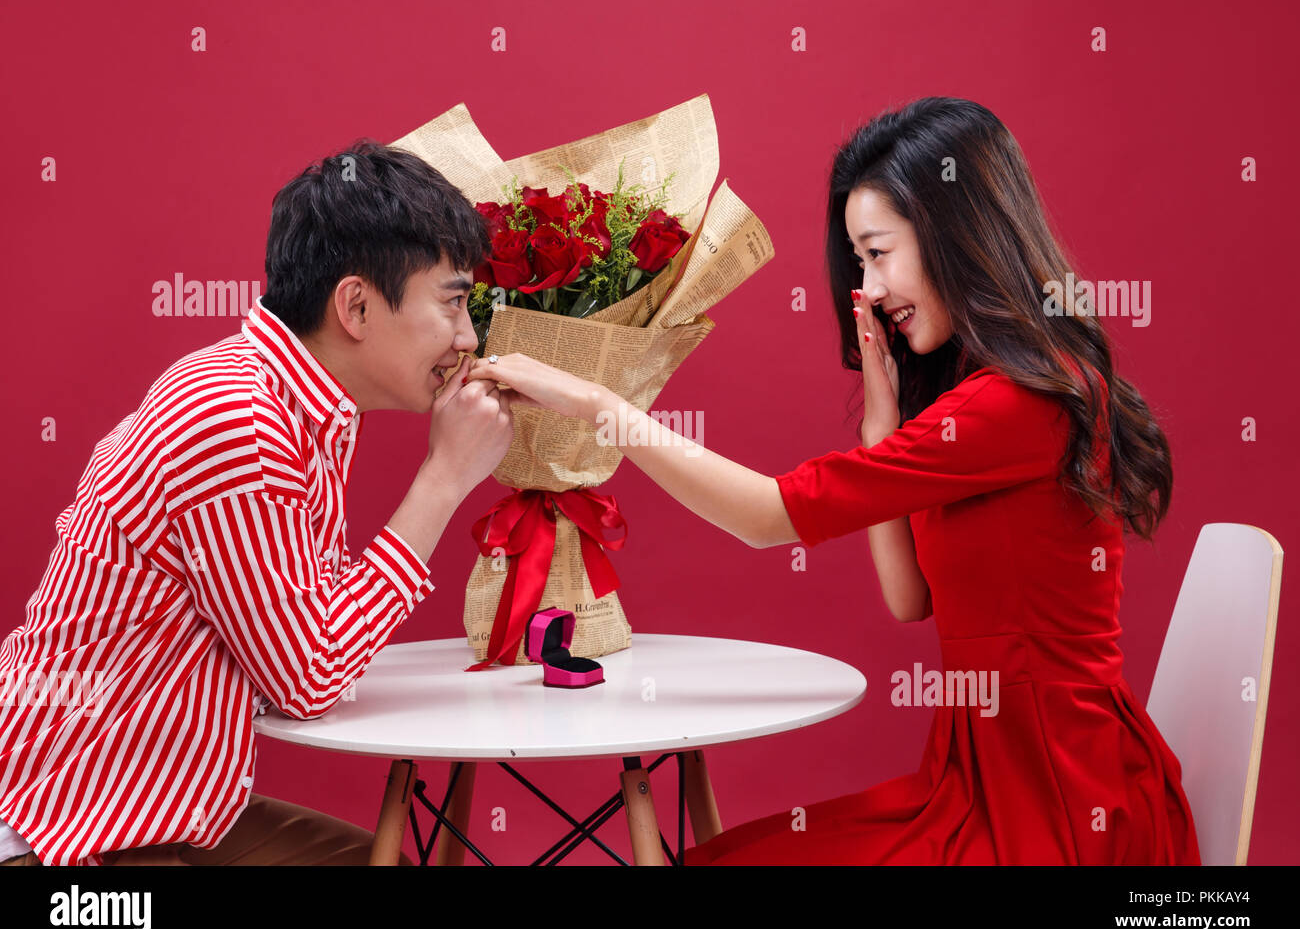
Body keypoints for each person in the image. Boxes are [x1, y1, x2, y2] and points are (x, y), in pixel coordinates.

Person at [466, 97, 1202, 865]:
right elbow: (909, 599)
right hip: (980, 784)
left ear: (958, 235)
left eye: (880, 253)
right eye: (861, 262)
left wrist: (596, 403)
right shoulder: (989, 397)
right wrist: (882, 426)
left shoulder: (1015, 403)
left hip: (1056, 807)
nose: (872, 289)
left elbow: (765, 517)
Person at [0, 141, 523, 865]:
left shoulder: (302, 409)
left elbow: (300, 641)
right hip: (63, 832)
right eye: (454, 301)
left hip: (160, 808)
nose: (469, 337)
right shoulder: (236, 420)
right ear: (357, 305)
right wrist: (444, 477)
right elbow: (307, 679)